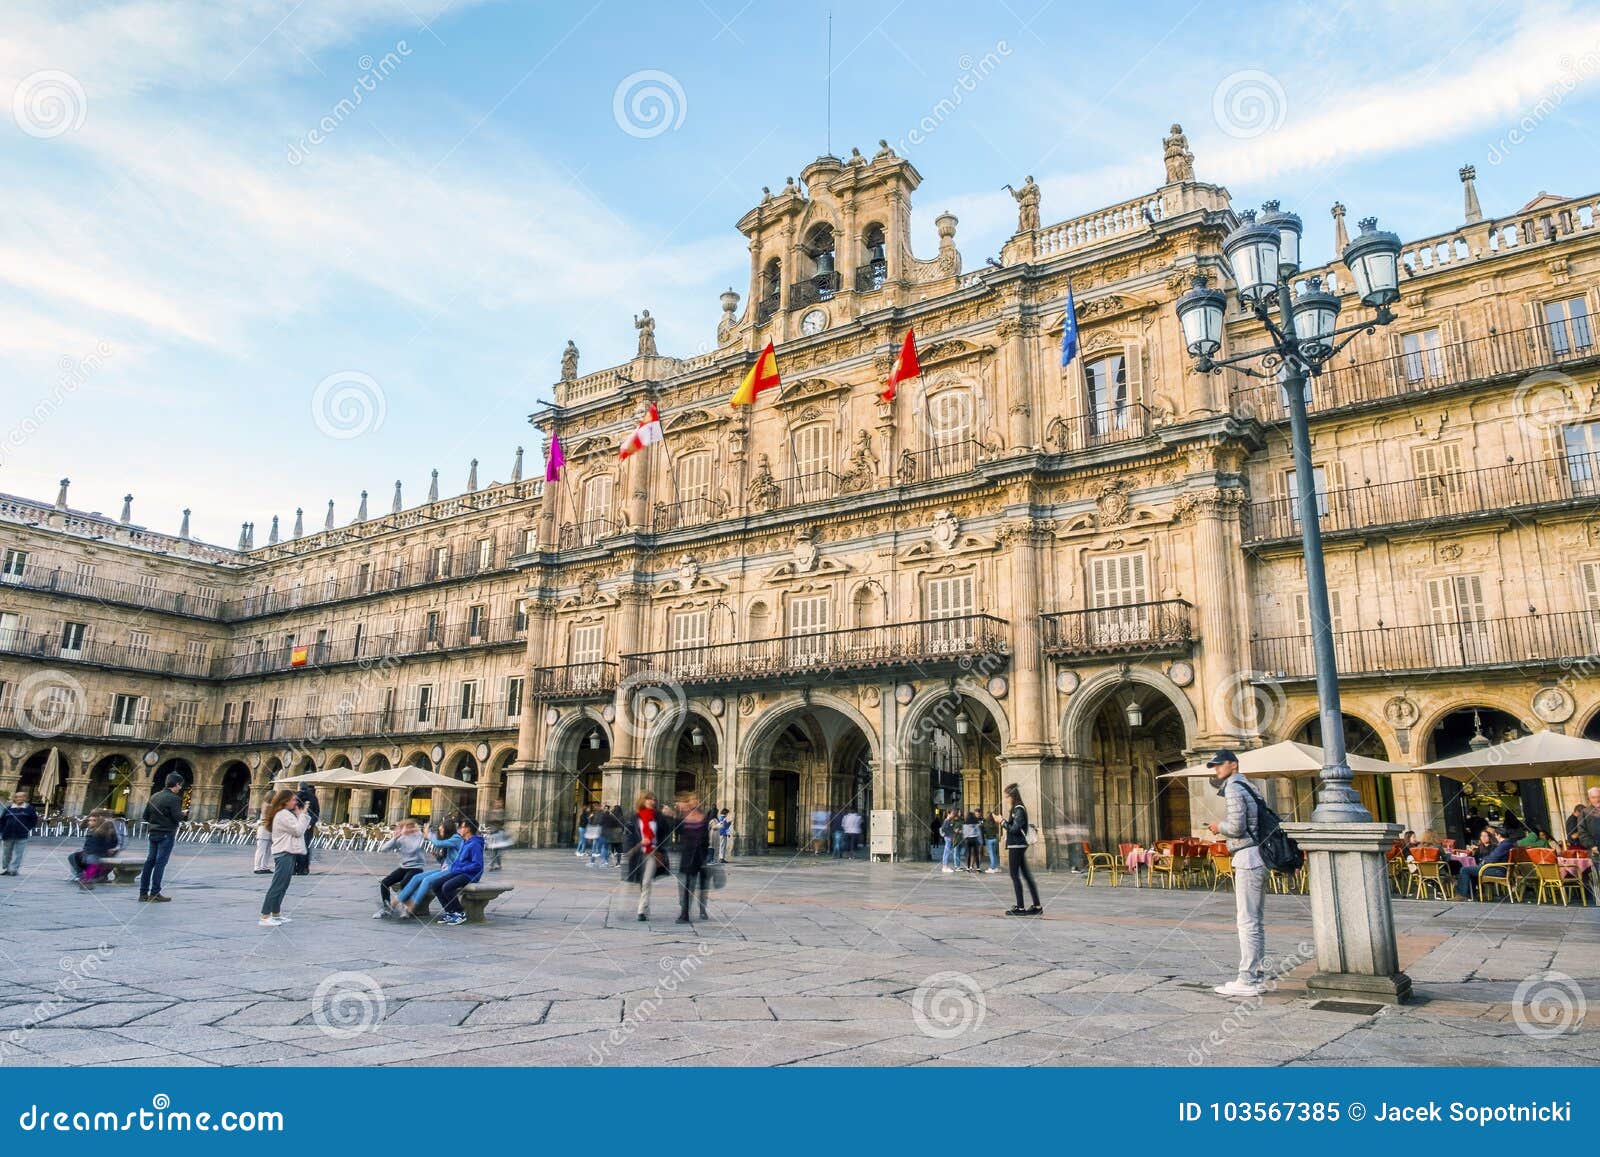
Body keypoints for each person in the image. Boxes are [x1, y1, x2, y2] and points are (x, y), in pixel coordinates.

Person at [1205, 750, 1266, 997]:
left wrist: (1219, 826)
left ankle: (1248, 978)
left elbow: (1238, 827)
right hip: (1259, 855)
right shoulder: (1251, 787)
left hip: (1248, 857)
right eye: (1215, 766)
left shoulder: (1233, 787)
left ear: (1233, 764)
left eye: (1220, 765)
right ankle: (1256, 975)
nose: (1217, 770)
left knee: (1247, 920)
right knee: (1255, 920)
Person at [259, 789, 310, 927]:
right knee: (278, 885)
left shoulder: (285, 814)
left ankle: (276, 914)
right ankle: (264, 916)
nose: (295, 802)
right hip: (284, 853)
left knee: (283, 885)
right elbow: (298, 830)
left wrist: (300, 817)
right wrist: (302, 815)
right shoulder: (283, 815)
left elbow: (300, 828)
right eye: (293, 799)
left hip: (287, 852)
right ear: (285, 801)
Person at [395, 821, 463, 916]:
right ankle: (397, 901)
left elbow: (438, 843)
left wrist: (428, 834)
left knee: (427, 880)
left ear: (447, 829)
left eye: (441, 830)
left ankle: (412, 906)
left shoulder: (456, 838)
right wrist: (438, 857)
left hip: (454, 870)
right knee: (417, 877)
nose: (440, 832)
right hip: (446, 869)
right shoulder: (449, 840)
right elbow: (446, 861)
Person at [139, 772, 187, 903]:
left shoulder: (154, 796)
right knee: (160, 863)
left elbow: (145, 816)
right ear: (176, 784)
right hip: (166, 834)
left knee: (149, 863)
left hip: (153, 833)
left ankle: (143, 893)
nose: (180, 788)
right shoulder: (174, 798)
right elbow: (177, 817)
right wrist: (183, 813)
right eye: (180, 785)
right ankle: (155, 893)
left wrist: (158, 821)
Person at [428, 818, 485, 926]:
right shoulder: (465, 842)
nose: (459, 829)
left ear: (467, 829)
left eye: (461, 827)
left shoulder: (475, 844)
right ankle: (450, 912)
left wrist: (460, 868)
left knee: (447, 886)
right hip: (459, 872)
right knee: (435, 884)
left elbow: (477, 865)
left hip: (470, 875)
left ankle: (460, 913)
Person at [994, 785, 1041, 916]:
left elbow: (1014, 829)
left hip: (1017, 846)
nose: (1005, 799)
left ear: (1012, 796)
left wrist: (1001, 821)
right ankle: (1037, 905)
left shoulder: (1018, 809)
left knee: (1015, 876)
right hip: (1018, 845)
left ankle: (1020, 908)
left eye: (1007, 796)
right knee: (1026, 875)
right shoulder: (1016, 809)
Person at [627, 792, 674, 921]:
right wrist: (634, 845)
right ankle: (646, 906)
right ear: (642, 800)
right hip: (638, 853)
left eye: (654, 799)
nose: (651, 801)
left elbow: (667, 831)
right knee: (641, 883)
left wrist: (670, 816)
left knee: (647, 882)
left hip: (653, 853)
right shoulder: (635, 817)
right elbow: (629, 834)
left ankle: (641, 911)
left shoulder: (658, 817)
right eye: (648, 798)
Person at [375, 819, 427, 918]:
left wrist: (406, 835)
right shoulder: (400, 838)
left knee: (405, 883)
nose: (403, 829)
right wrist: (395, 838)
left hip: (416, 868)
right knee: (384, 883)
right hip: (403, 867)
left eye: (405, 827)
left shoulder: (419, 836)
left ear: (411, 828)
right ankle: (387, 907)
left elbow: (414, 848)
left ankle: (405, 908)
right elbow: (383, 849)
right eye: (402, 827)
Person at [674, 793, 712, 925]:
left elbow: (706, 838)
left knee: (702, 885)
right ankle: (685, 913)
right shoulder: (683, 817)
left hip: (700, 855)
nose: (695, 801)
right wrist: (677, 813)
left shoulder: (703, 817)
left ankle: (702, 909)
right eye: (692, 799)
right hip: (688, 856)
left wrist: (705, 854)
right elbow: (676, 830)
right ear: (688, 802)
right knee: (687, 885)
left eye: (697, 799)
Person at [1457, 826, 1514, 899]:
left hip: (1498, 870)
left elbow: (1492, 858)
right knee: (1470, 870)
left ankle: (1462, 895)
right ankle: (1471, 894)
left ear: (1498, 835)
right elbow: (1492, 857)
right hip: (1500, 869)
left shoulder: (1504, 845)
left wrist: (1483, 861)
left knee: (1464, 869)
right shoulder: (1508, 844)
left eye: (1495, 835)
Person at [76, 813, 119, 889]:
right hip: (90, 852)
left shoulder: (103, 830)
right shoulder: (91, 829)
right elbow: (82, 827)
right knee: (81, 859)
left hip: (98, 852)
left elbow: (111, 842)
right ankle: (86, 879)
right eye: (90, 820)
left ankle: (87, 879)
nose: (90, 822)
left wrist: (111, 849)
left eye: (93, 820)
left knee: (93, 862)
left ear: (99, 821)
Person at [1, 790, 40, 876]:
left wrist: (27, 828)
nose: (19, 798)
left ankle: (14, 870)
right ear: (14, 798)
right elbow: (2, 821)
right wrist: (2, 830)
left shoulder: (29, 808)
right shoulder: (9, 808)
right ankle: (6, 868)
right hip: (7, 834)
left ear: (25, 798)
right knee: (6, 854)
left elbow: (34, 820)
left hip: (21, 835)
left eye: (21, 797)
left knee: (18, 854)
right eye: (17, 797)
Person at [293, 783, 321, 875]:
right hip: (308, 825)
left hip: (297, 824)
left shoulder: (296, 796)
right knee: (305, 846)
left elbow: (293, 810)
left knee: (295, 846)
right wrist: (311, 823)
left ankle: (294, 867)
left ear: (299, 787)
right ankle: (304, 868)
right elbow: (316, 812)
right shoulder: (313, 797)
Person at [251, 809, 273, 873]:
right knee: (260, 851)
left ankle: (264, 867)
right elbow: (259, 822)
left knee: (268, 852)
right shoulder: (262, 815)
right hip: (263, 835)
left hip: (270, 835)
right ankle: (257, 868)